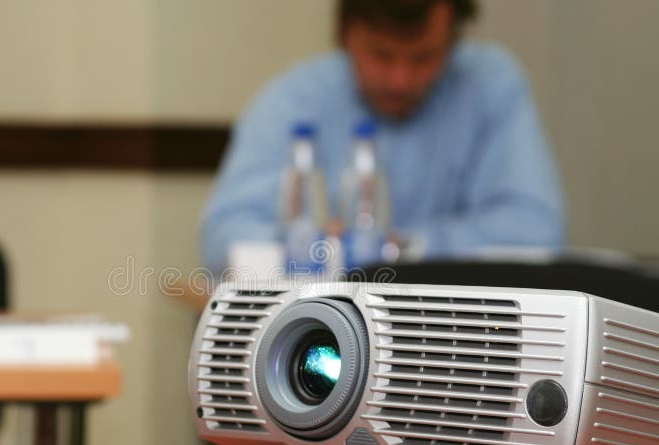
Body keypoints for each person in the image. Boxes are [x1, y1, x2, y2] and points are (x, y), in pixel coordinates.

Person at [200, 0, 565, 274]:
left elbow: (536, 230)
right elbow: (224, 236)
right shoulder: (295, 98)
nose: (399, 79)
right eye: (381, 55)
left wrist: (396, 247)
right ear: (344, 35)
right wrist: (318, 247)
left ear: (453, 39)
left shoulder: (491, 85)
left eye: (423, 57)